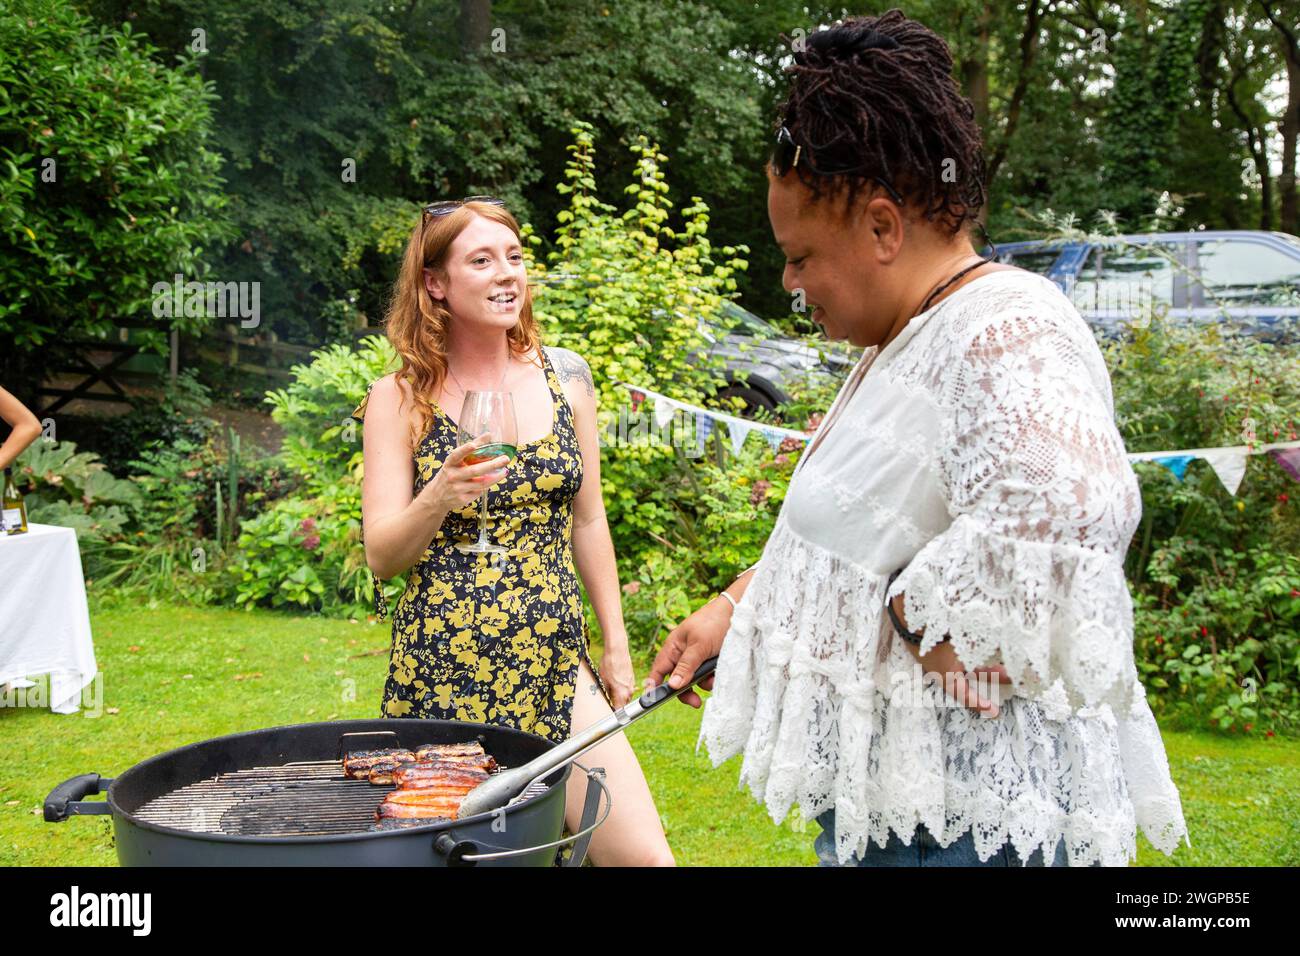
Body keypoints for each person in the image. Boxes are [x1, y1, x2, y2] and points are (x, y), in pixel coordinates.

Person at [649, 11, 1190, 867]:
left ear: (881, 228)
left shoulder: (1007, 329)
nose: (790, 283)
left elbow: (1071, 505)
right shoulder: (913, 335)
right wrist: (739, 606)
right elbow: (878, 526)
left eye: (798, 256)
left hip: (970, 832)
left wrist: (916, 618)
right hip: (912, 817)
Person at [353, 197, 673, 866]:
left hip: (554, 659)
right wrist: (438, 494)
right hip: (442, 670)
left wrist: (614, 644)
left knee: (644, 858)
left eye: (515, 258)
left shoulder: (568, 380)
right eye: (481, 260)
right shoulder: (400, 398)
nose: (507, 275)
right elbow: (383, 555)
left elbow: (589, 517)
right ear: (435, 283)